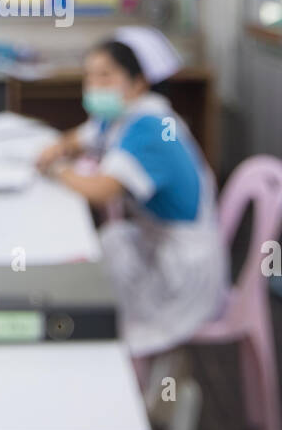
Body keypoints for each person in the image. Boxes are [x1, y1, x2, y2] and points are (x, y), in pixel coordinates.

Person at [36, 27, 227, 362]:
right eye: (89, 77)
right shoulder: (119, 116)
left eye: (106, 76)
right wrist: (58, 149)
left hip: (183, 268)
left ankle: (140, 383)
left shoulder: (150, 126)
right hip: (155, 242)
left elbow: (100, 192)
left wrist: (55, 170)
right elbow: (79, 138)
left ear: (139, 82)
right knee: (105, 247)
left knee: (95, 304)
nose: (94, 87)